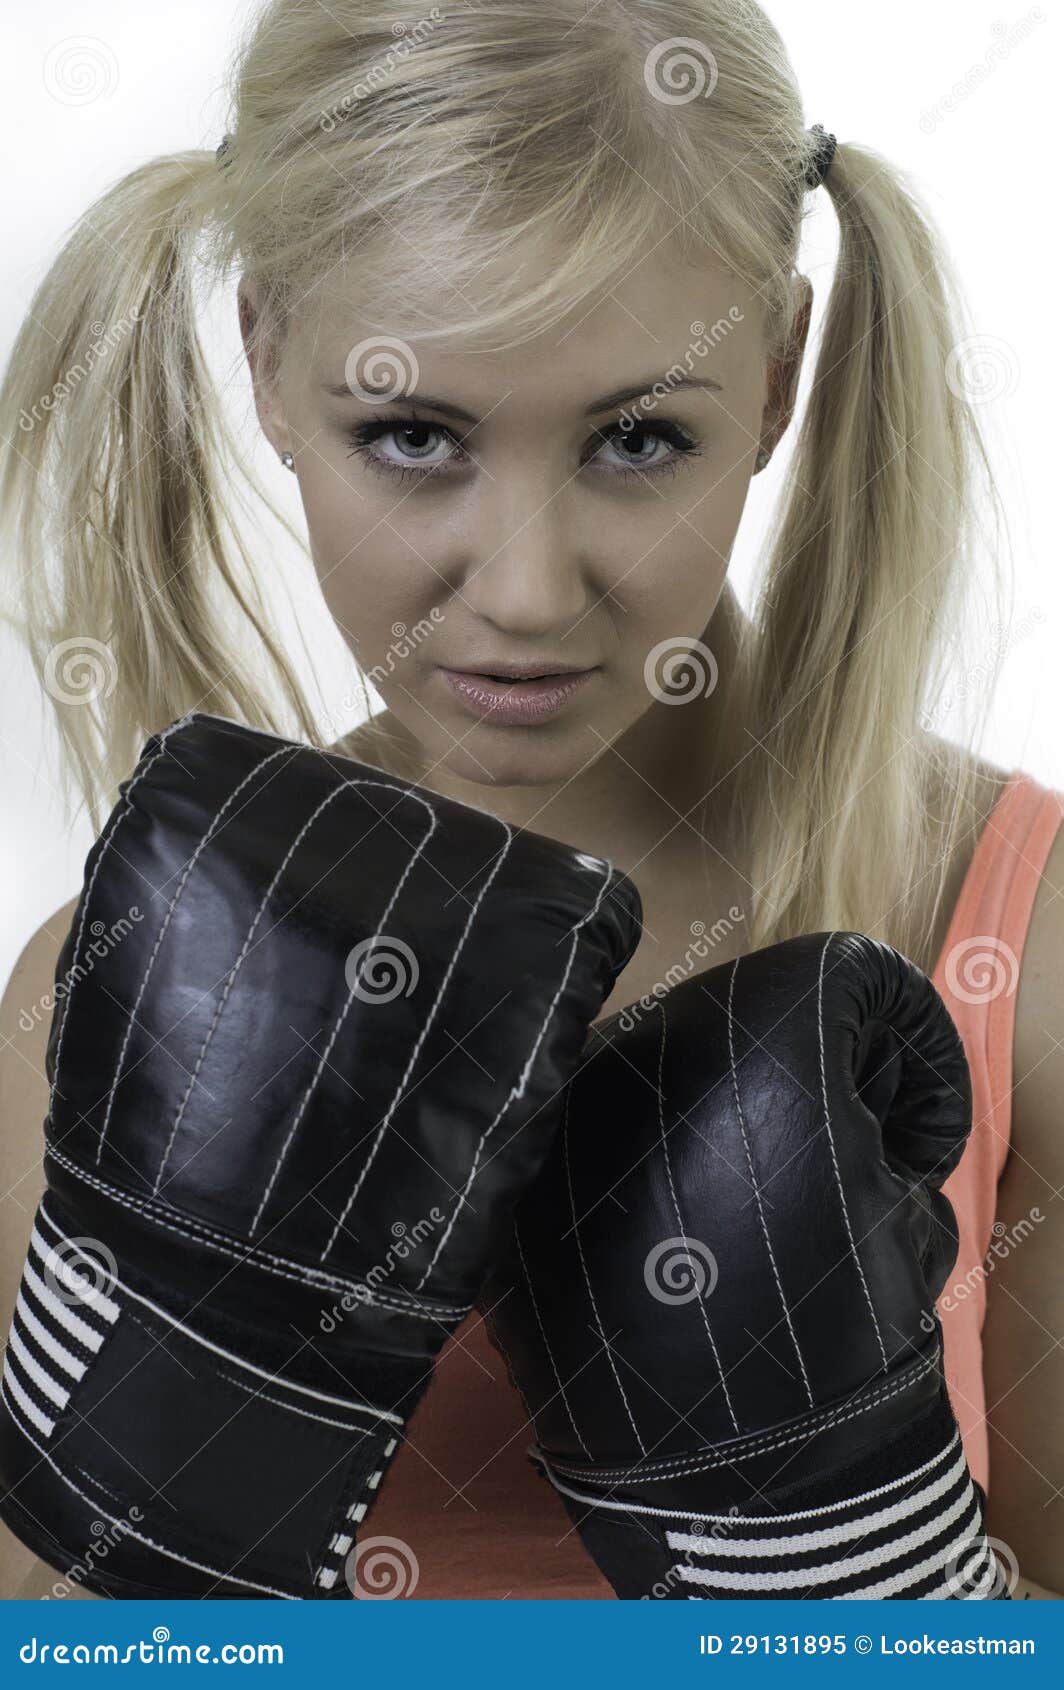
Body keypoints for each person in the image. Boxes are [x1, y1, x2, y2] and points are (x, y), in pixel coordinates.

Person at [1, 0, 1061, 1600]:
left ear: (777, 374)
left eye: (638, 437)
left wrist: (859, 1585)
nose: (524, 589)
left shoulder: (1015, 949)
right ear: (269, 362)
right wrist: (163, 1524)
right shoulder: (113, 977)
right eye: (412, 433)